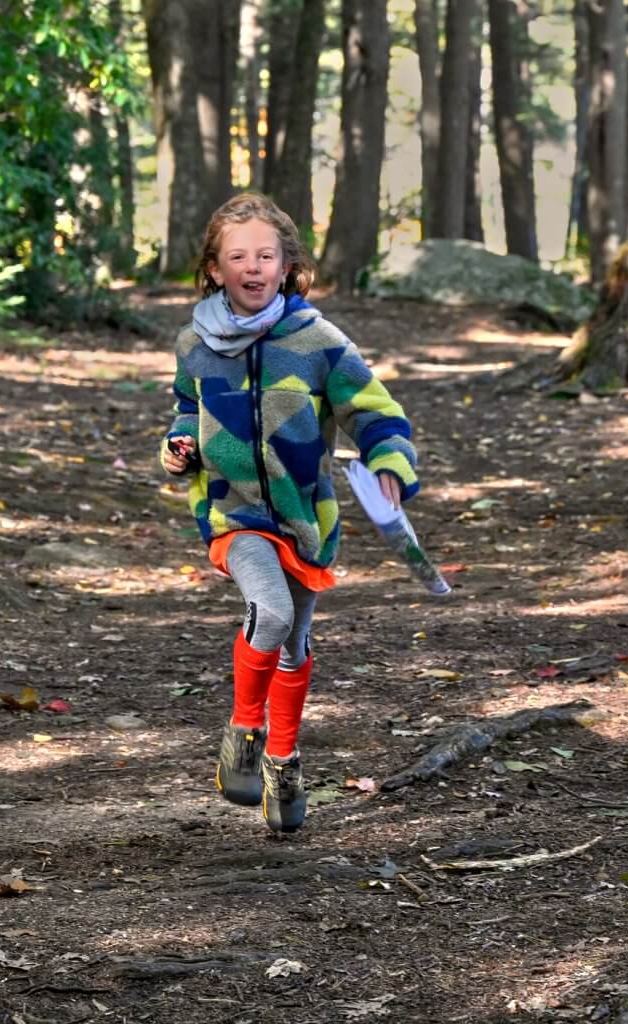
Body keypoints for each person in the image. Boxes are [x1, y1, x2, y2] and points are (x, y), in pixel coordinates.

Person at [161, 193, 418, 833]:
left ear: (286, 265)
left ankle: (283, 760)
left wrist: (389, 463)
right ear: (215, 268)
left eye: (265, 255)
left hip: (307, 521)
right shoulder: (195, 342)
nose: (253, 266)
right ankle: (243, 733)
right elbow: (183, 413)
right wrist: (177, 449)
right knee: (269, 613)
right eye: (238, 256)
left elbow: (374, 411)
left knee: (295, 642)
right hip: (234, 514)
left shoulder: (317, 341)